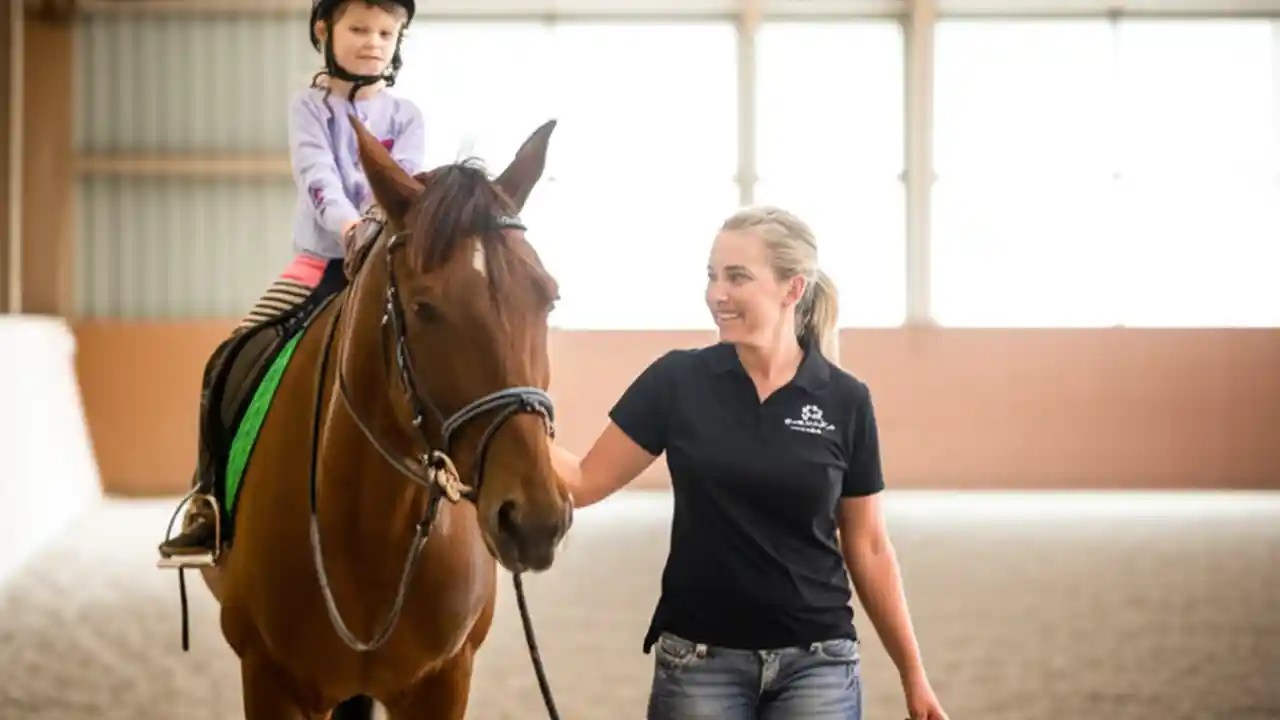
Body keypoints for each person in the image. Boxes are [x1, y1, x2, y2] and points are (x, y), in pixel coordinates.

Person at [548, 206, 949, 720]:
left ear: (792, 290)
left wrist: (913, 674)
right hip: (698, 663)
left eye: (737, 277)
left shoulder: (846, 400)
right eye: (712, 276)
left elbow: (868, 544)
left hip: (819, 665)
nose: (718, 293)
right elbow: (582, 482)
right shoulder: (677, 381)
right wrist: (507, 416)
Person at [157, 0, 425, 563]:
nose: (373, 41)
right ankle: (208, 500)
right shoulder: (309, 107)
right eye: (358, 29)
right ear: (324, 31)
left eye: (385, 31)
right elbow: (316, 175)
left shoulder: (407, 117)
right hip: (318, 265)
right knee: (230, 358)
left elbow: (400, 186)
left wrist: (374, 231)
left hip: (380, 267)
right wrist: (349, 227)